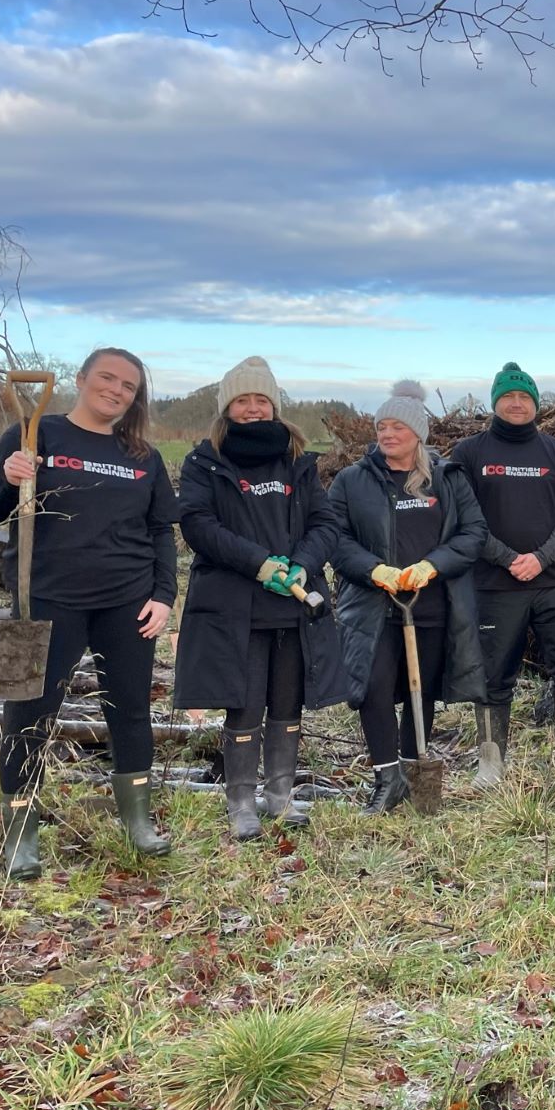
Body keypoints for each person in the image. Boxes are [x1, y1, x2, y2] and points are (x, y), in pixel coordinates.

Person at [0, 348, 178, 880]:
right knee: (23, 711)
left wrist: (164, 595)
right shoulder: (32, 433)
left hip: (126, 600)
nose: (116, 391)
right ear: (81, 379)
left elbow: (162, 529)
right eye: (107, 379)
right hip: (37, 597)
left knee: (131, 709)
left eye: (128, 386)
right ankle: (20, 835)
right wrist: (11, 475)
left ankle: (138, 823)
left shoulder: (143, 455)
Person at [174, 357, 348, 839]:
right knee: (245, 703)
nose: (253, 409)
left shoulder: (298, 461)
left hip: (293, 604)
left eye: (261, 400)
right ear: (227, 408)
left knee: (288, 702)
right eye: (243, 401)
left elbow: (325, 523)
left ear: (274, 406)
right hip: (235, 607)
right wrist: (259, 563)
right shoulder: (204, 462)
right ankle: (240, 803)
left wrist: (303, 564)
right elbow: (197, 525)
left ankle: (280, 795)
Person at [329, 381, 487, 812]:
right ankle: (387, 777)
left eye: (398, 426)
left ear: (418, 433)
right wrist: (372, 570)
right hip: (373, 606)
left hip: (432, 605)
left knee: (422, 691)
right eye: (382, 426)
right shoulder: (352, 481)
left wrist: (432, 565)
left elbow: (474, 533)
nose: (387, 434)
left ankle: (413, 767)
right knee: (374, 688)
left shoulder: (448, 478)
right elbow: (333, 536)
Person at [451, 362, 555, 782]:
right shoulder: (470, 453)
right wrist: (506, 558)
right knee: (494, 674)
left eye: (524, 397)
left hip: (553, 580)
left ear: (535, 403)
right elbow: (465, 517)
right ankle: (491, 760)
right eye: (508, 397)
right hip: (495, 584)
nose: (516, 404)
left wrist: (541, 557)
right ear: (495, 402)